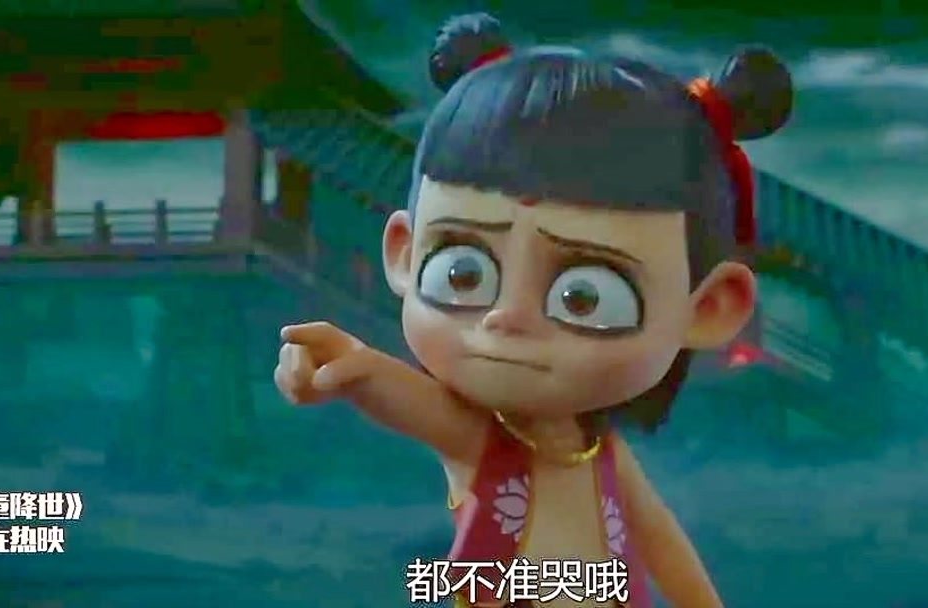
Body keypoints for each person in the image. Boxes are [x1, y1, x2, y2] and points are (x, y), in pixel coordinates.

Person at [274, 12, 793, 608]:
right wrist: (348, 366)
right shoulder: (486, 442)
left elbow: (662, 543)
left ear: (708, 308)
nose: (508, 318)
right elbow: (404, 397)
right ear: (404, 255)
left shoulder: (598, 450)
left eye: (583, 296)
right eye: (464, 273)